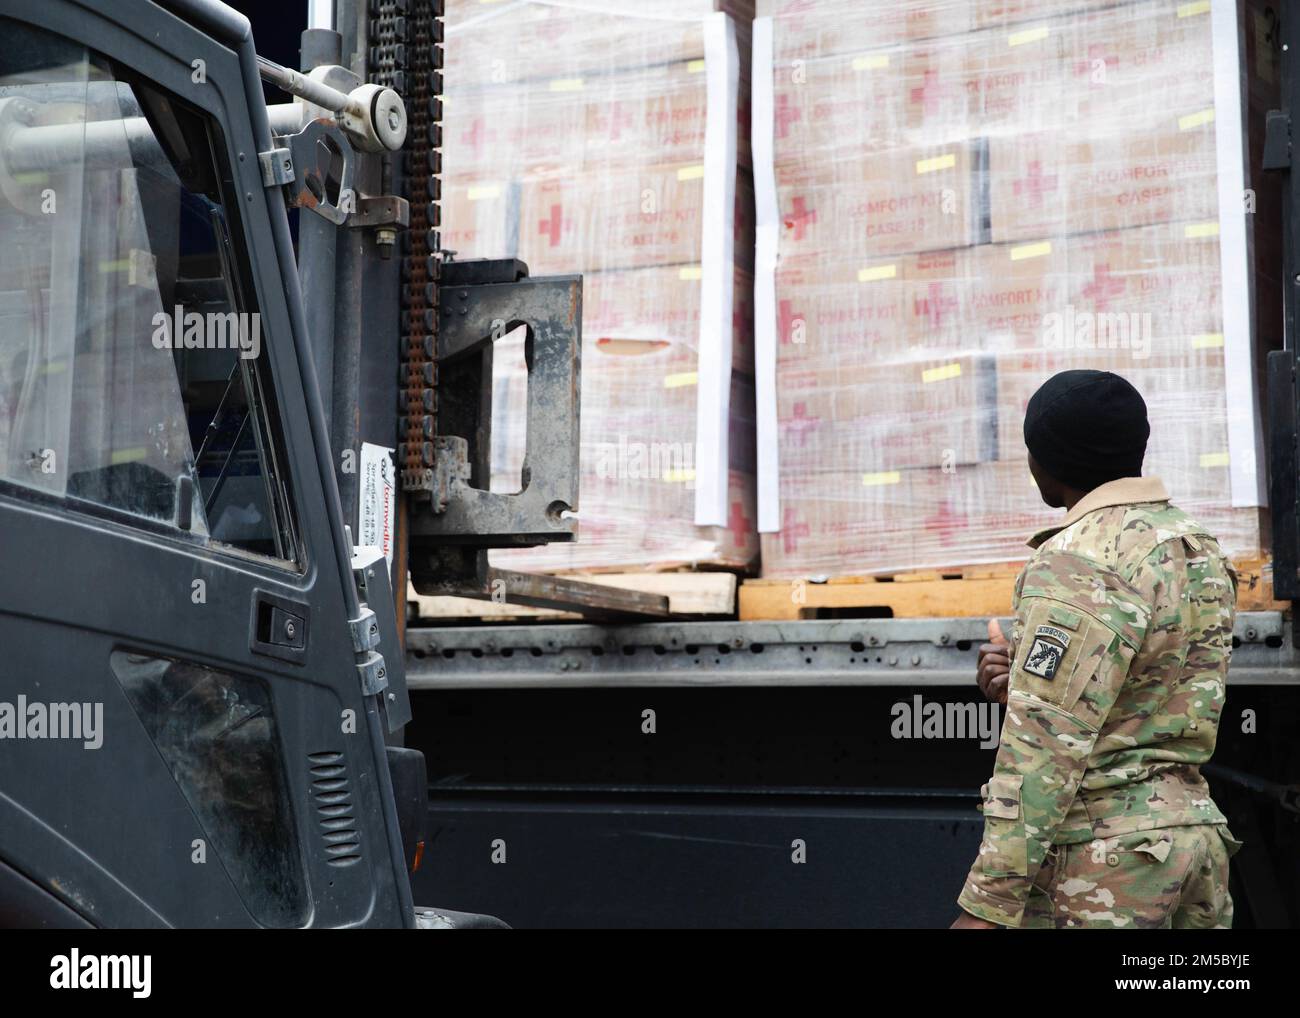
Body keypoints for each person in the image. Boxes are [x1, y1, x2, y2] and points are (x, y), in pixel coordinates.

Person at [951, 369, 1242, 929]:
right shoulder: (1195, 545)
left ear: (1047, 461)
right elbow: (1152, 691)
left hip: (1104, 869)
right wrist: (1023, 688)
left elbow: (1041, 753)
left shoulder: (1077, 559)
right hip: (1190, 849)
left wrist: (987, 906)